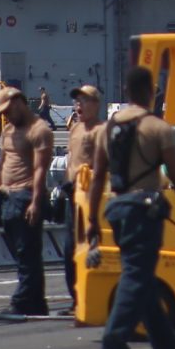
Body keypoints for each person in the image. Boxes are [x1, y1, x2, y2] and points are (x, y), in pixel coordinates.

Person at [97, 63, 175, 349]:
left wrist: (91, 221)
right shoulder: (159, 129)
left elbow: (97, 178)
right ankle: (113, 345)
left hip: (116, 209)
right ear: (151, 92)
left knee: (141, 277)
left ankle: (168, 346)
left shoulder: (108, 128)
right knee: (136, 277)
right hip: (143, 211)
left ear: (126, 91)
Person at [0, 86, 55, 316]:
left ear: (18, 102)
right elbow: (1, 166)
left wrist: (36, 202)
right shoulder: (8, 130)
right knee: (23, 253)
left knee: (27, 252)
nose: (5, 116)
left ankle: (21, 301)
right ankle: (37, 302)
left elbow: (41, 169)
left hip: (25, 195)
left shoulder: (39, 130)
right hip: (7, 197)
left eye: (7, 110)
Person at [62, 83, 106, 311]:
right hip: (72, 195)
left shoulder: (101, 130)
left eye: (84, 100)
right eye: (77, 101)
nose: (79, 105)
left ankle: (90, 297)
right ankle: (75, 297)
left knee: (88, 247)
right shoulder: (75, 129)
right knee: (70, 248)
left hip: (90, 197)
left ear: (96, 105)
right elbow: (71, 160)